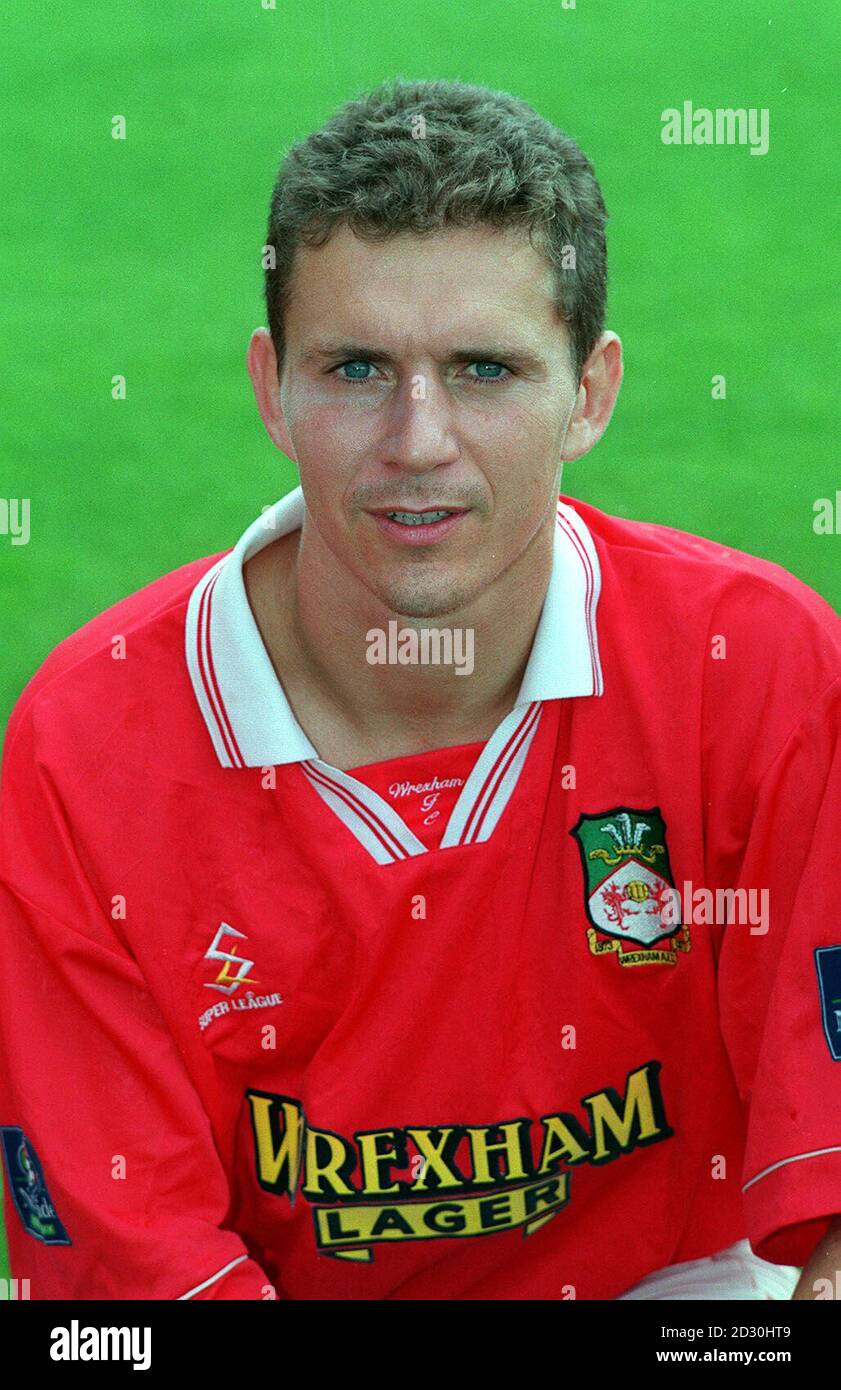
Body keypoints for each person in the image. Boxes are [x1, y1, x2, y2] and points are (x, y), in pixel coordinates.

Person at [1, 78, 839, 1302]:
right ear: (270, 386)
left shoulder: (757, 665)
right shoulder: (87, 743)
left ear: (590, 393)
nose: (417, 441)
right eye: (354, 367)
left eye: (484, 369)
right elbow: (133, 1283)